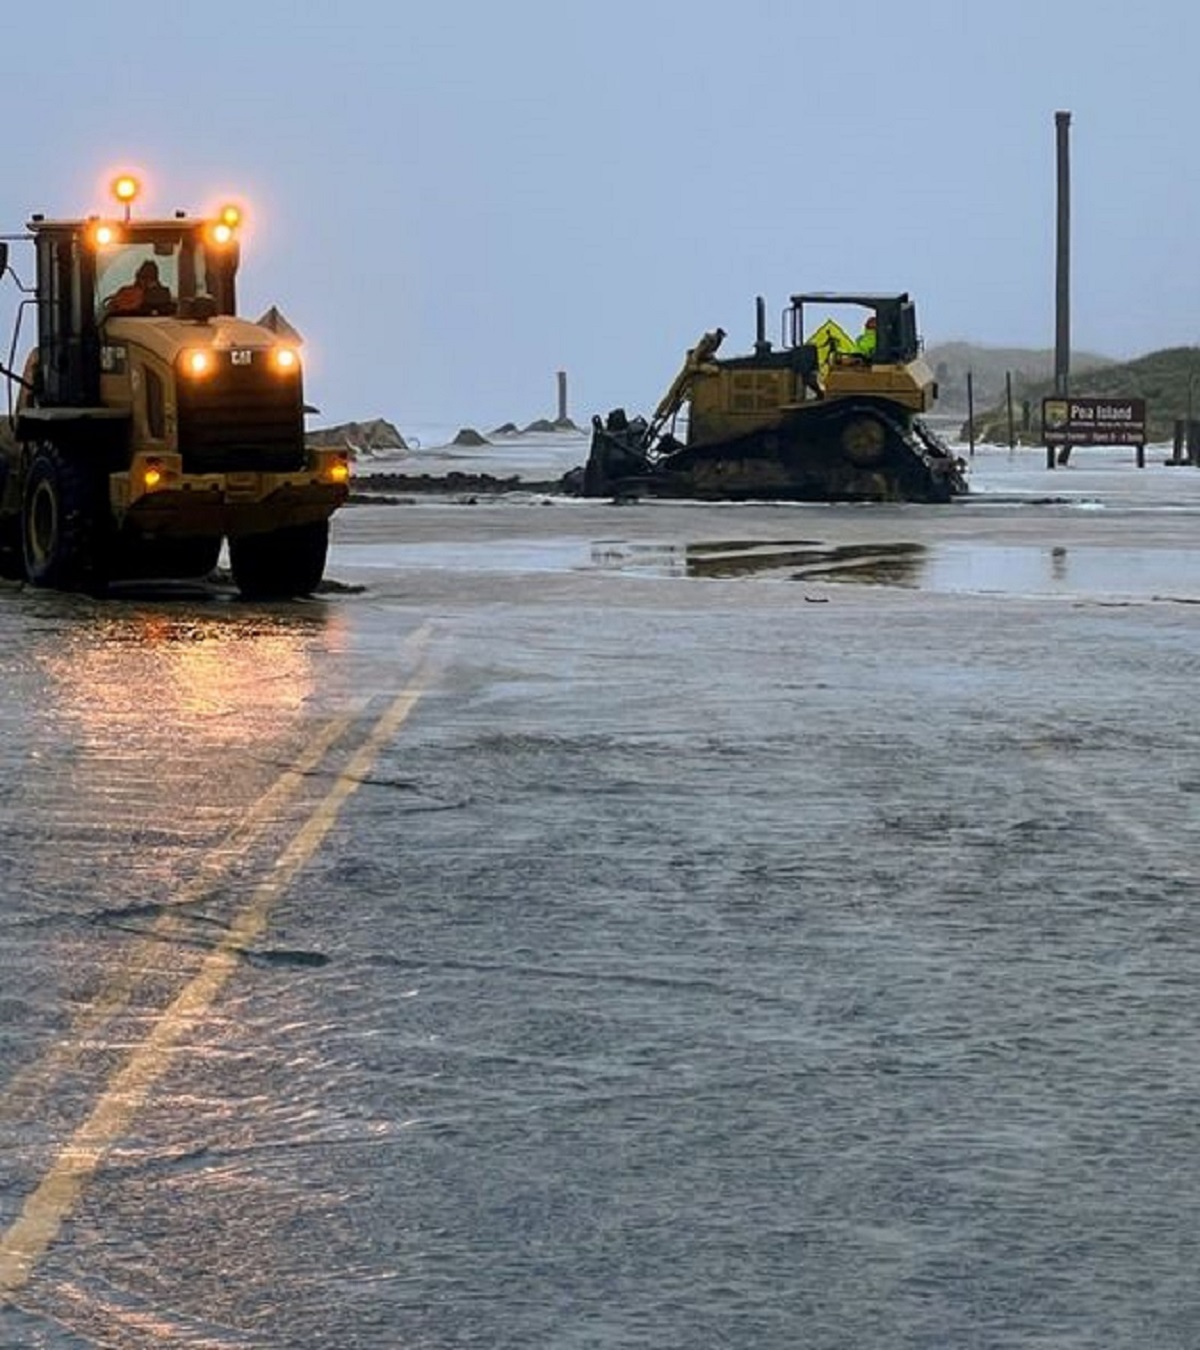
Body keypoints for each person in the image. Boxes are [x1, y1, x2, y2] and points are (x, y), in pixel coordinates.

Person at [104, 259, 173, 316]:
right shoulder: (126, 292)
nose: (147, 281)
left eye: (151, 277)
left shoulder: (163, 296)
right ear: (138, 276)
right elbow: (112, 308)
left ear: (156, 279)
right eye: (144, 277)